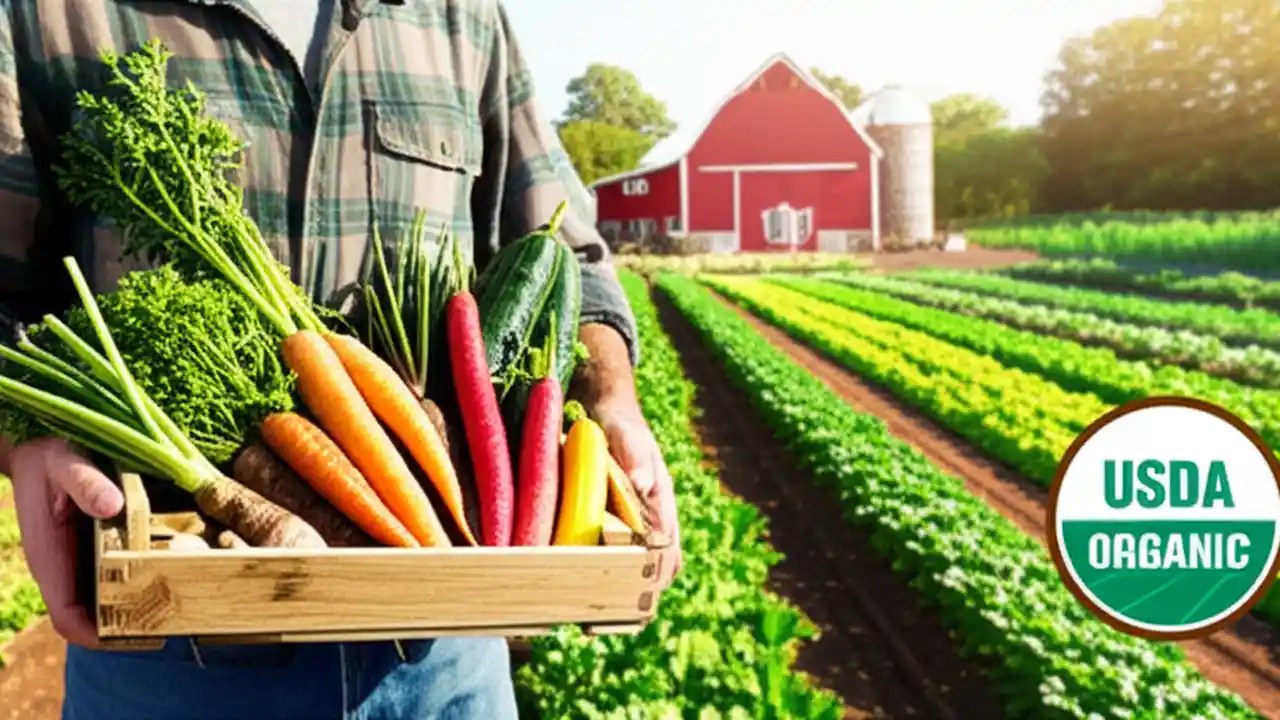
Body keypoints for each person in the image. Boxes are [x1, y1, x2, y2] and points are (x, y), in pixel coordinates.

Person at [0, 1, 682, 718]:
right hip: (176, 638)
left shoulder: (460, 16)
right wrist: (27, 439)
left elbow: (565, 248)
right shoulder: (52, 12)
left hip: (448, 650)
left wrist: (611, 399)